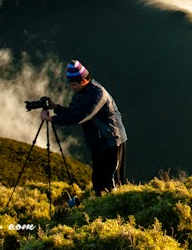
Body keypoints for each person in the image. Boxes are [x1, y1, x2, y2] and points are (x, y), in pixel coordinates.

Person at [41, 59, 128, 195]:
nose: (72, 88)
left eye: (74, 85)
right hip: (99, 143)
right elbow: (73, 111)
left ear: (84, 80)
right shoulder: (83, 92)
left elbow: (80, 117)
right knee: (98, 182)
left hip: (111, 140)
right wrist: (56, 107)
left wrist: (52, 119)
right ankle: (103, 210)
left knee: (110, 182)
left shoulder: (97, 94)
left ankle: (116, 210)